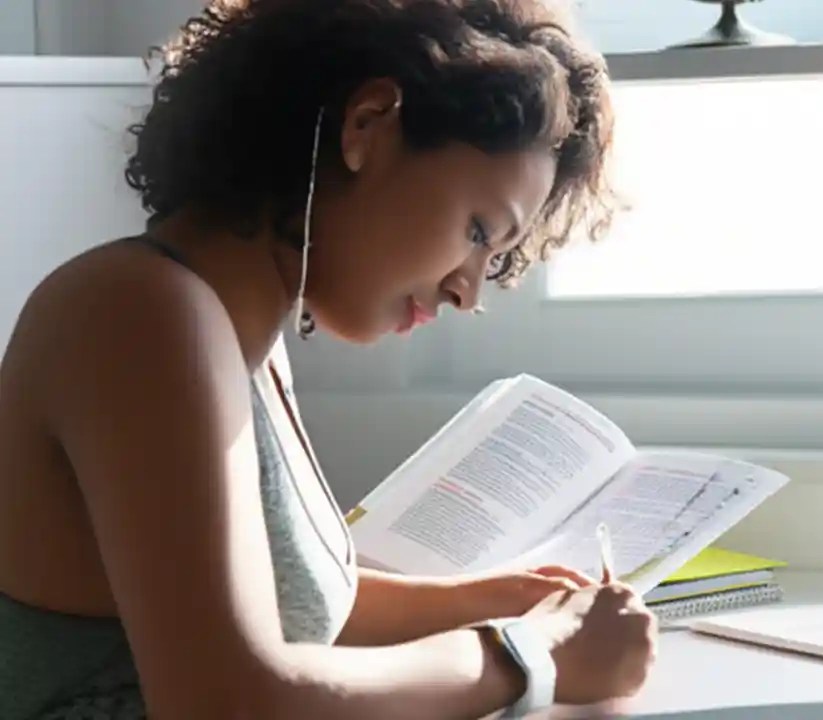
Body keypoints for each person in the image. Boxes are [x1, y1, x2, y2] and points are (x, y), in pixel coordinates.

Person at [0, 0, 656, 718]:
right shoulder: (141, 314)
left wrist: (493, 600)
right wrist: (531, 654)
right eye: (477, 229)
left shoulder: (237, 334)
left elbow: (282, 609)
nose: (468, 291)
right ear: (368, 124)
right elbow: (228, 699)